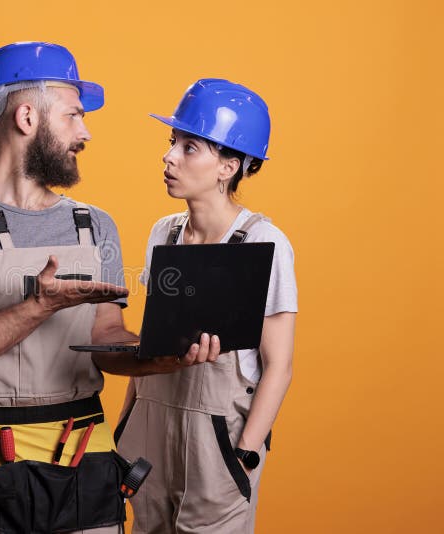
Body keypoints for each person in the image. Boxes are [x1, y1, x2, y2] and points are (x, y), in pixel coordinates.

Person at [0, 42, 221, 534]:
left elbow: (108, 340)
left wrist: (161, 354)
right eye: (73, 115)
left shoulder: (94, 226)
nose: (85, 131)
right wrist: (38, 306)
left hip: (83, 454)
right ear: (27, 117)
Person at [113, 79, 298, 533]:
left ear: (228, 167)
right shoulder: (164, 233)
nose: (169, 156)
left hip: (218, 445)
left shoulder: (263, 242)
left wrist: (247, 454)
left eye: (189, 147)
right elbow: (149, 342)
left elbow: (279, 365)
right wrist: (121, 431)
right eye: (172, 142)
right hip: (149, 436)